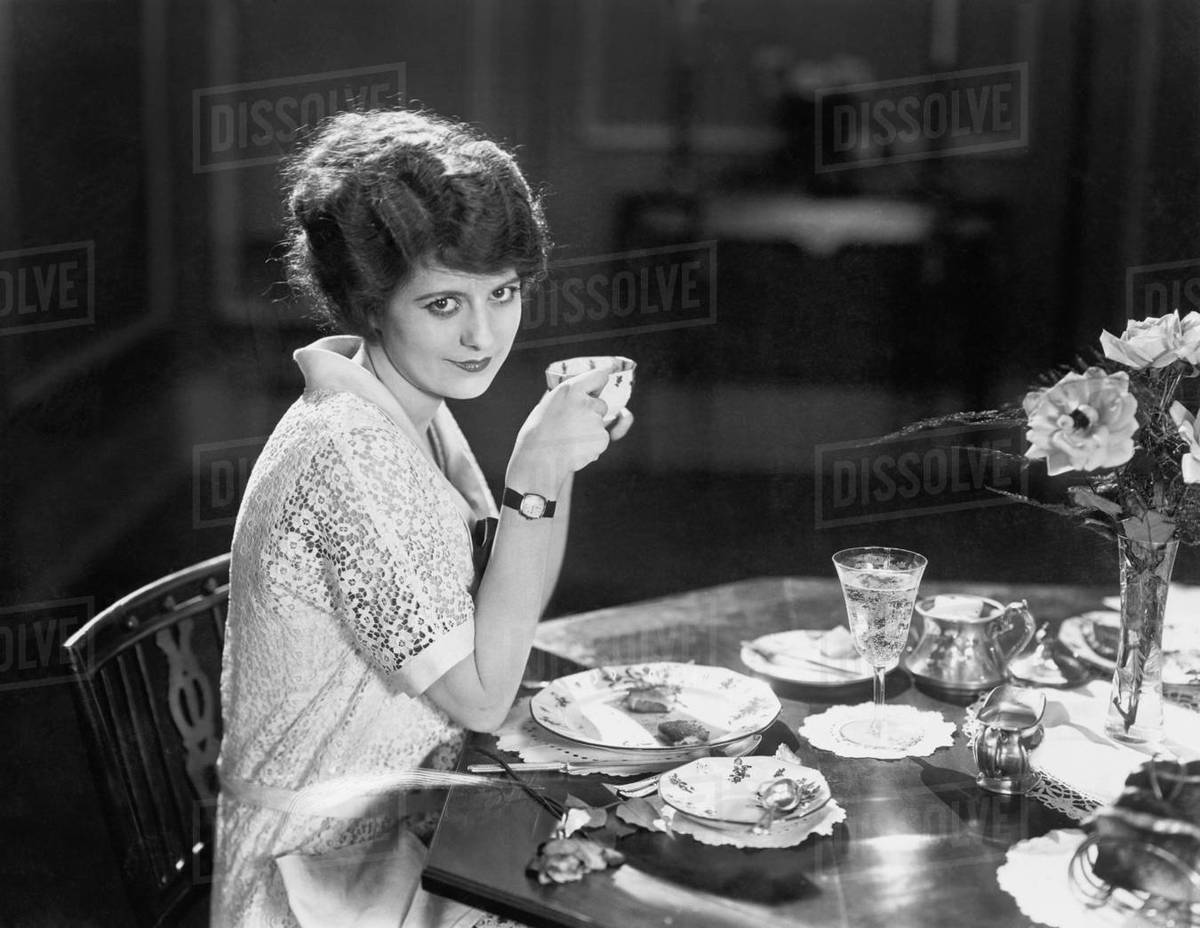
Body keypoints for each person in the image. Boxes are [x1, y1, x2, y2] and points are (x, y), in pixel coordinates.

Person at [211, 108, 633, 928]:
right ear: (370, 303)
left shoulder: (410, 410)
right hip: (317, 879)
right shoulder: (350, 452)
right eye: (444, 304)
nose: (484, 334)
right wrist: (537, 469)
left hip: (416, 834)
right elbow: (482, 696)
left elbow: (510, 602)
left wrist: (559, 456)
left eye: (503, 292)